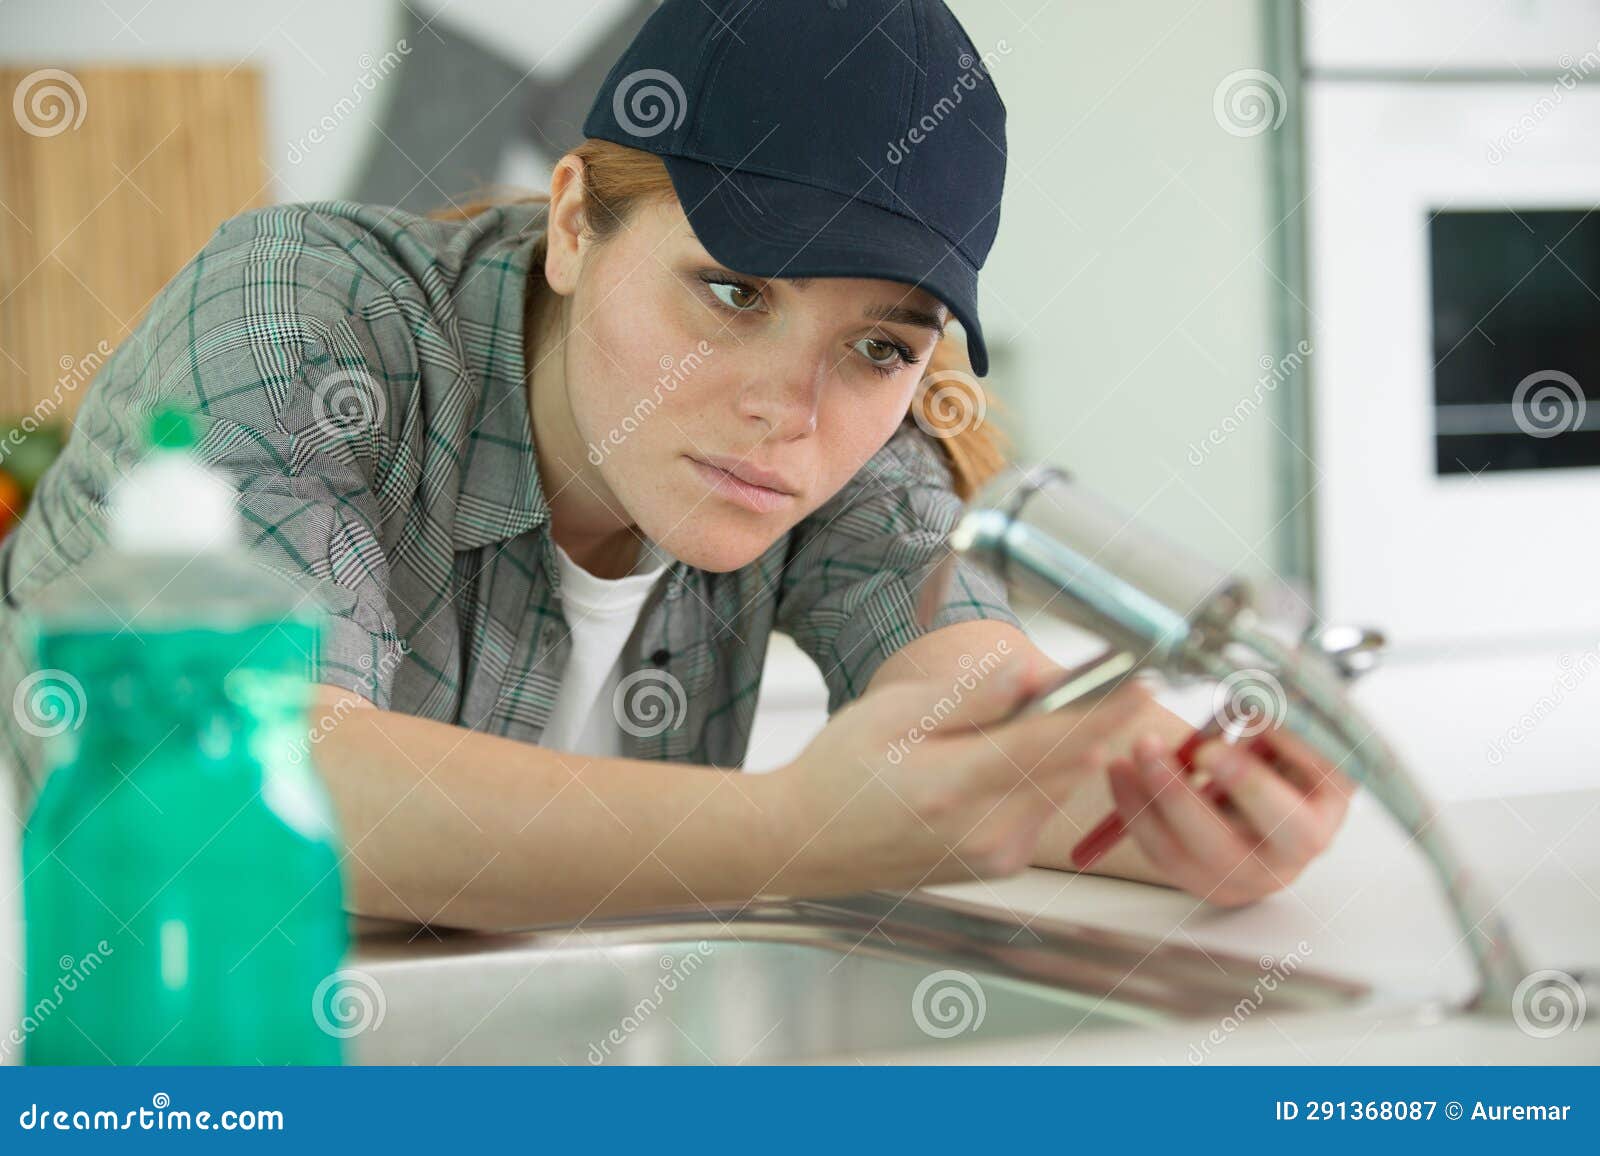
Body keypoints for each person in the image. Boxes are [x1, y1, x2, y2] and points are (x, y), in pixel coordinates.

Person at [0, 0, 1353, 930]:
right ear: (575, 223)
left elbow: (968, 705)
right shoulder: (299, 315)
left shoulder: (857, 440)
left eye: (880, 345)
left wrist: (1178, 801)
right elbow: (257, 785)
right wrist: (798, 831)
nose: (790, 412)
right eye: (735, 291)